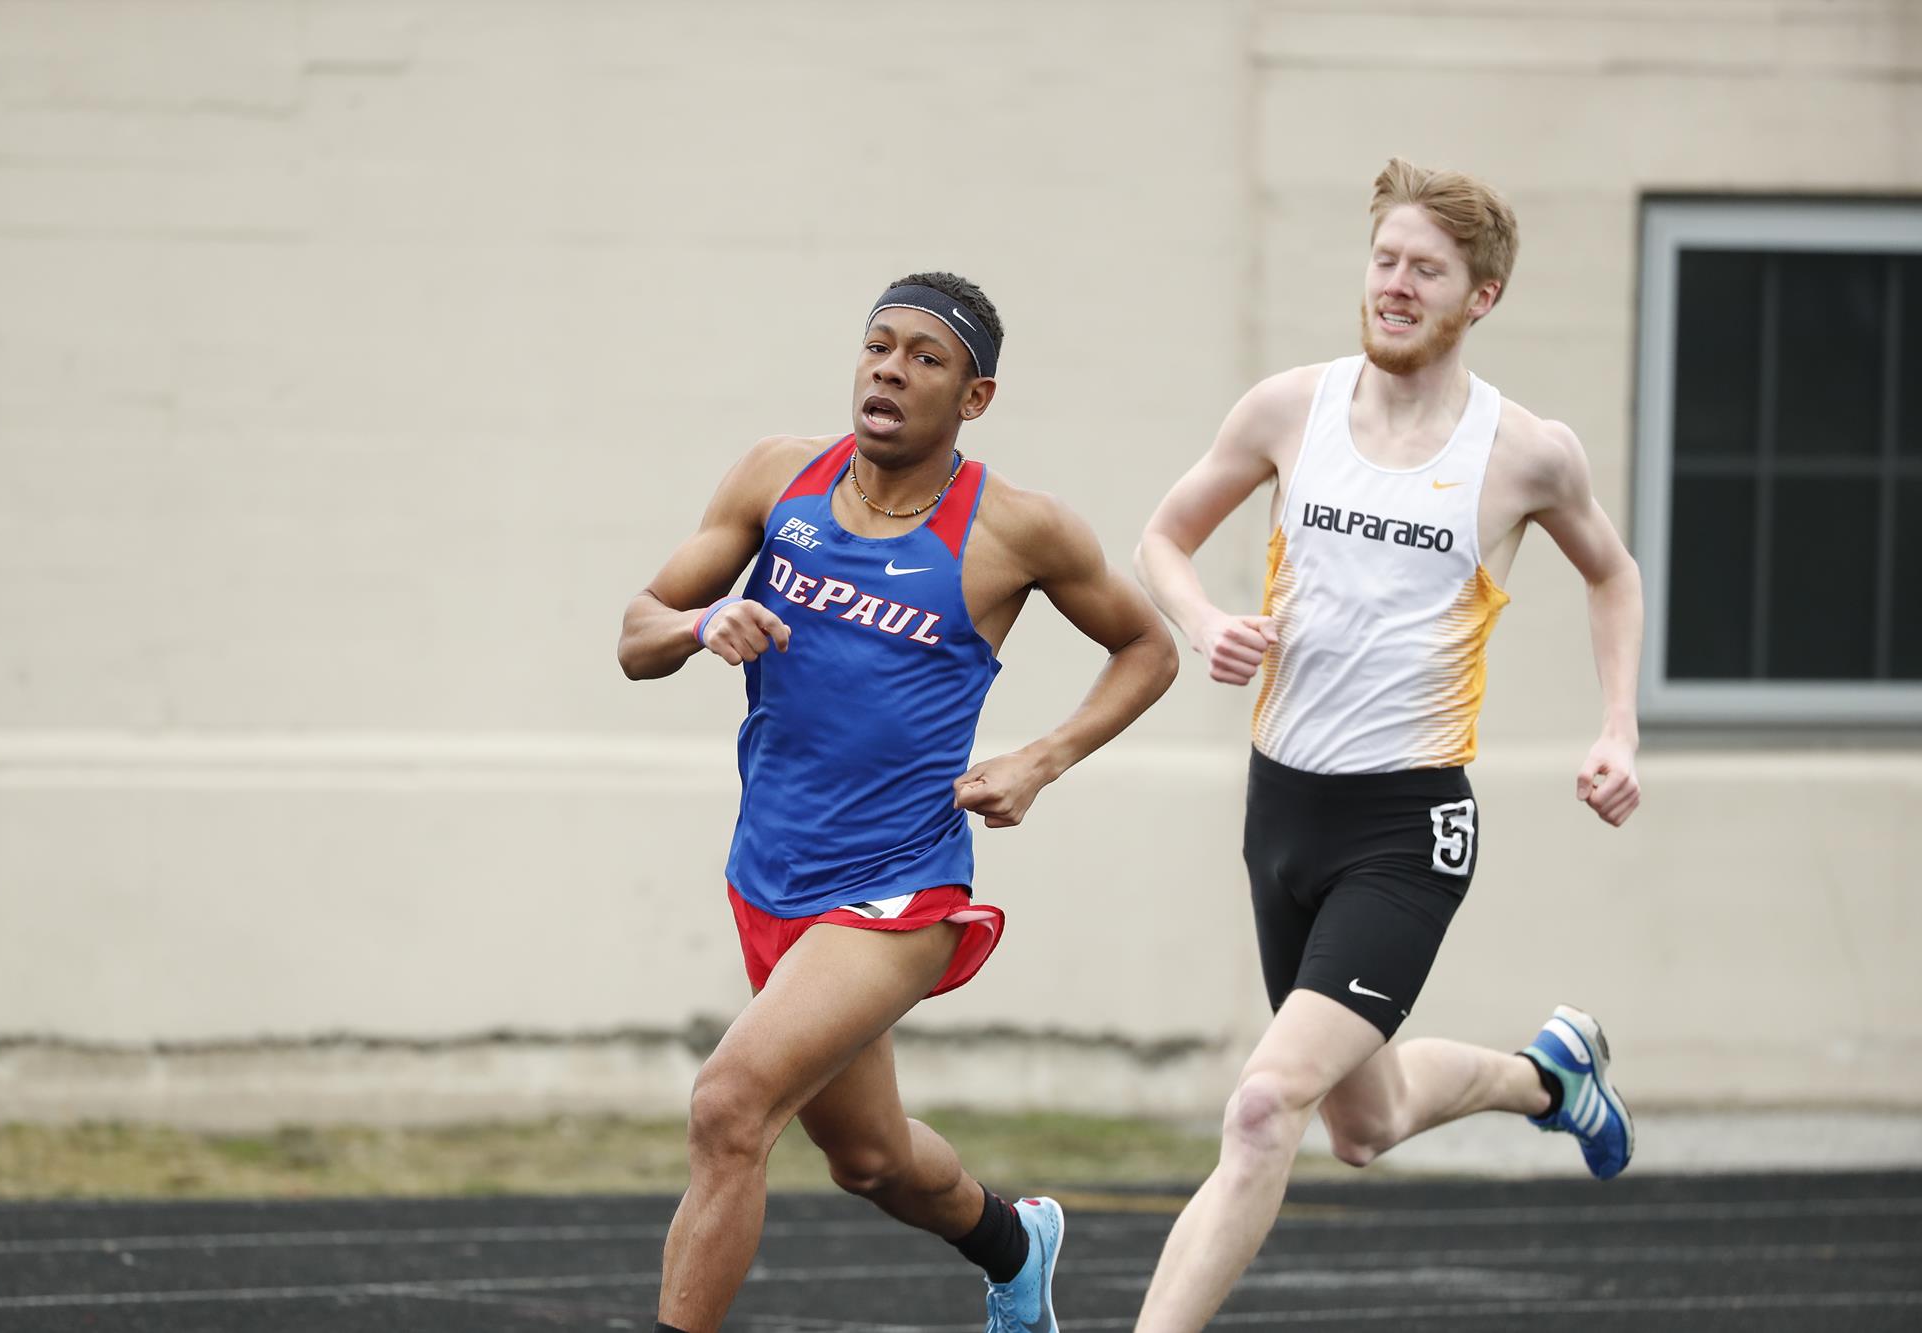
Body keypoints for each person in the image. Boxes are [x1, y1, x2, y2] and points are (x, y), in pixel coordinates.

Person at [1128, 159, 1644, 1330]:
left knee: (1262, 1105)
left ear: (1481, 297)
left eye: (1426, 271)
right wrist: (1203, 621)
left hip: (1405, 827)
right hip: (1279, 815)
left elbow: (1610, 573)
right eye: (1384, 260)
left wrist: (1616, 729)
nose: (1395, 286)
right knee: (1359, 1125)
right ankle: (1548, 1076)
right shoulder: (1287, 409)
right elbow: (1162, 536)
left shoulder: (1525, 453)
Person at [617, 271, 1178, 1333]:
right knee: (871, 1160)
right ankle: (1015, 1245)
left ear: (974, 397)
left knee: (729, 1106)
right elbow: (637, 631)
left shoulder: (1014, 529)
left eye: (926, 358)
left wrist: (1041, 759)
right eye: (879, 346)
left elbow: (1147, 647)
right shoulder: (777, 478)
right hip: (770, 876)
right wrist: (700, 626)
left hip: (898, 886)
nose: (890, 370)